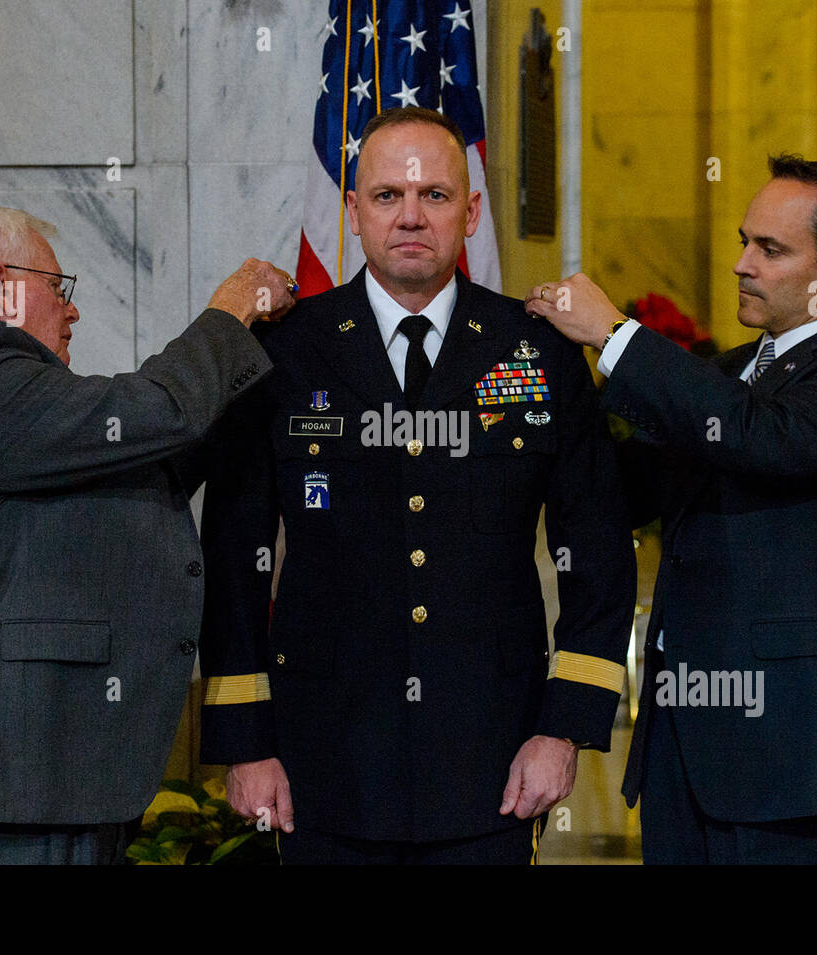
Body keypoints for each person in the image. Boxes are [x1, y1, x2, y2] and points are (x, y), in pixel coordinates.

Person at [198, 107, 636, 864]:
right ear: (352, 211)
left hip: (492, 760)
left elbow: (596, 548)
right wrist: (245, 741)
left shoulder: (536, 349)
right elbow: (235, 555)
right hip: (322, 761)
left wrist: (563, 727)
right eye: (386, 195)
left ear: (470, 214)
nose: (410, 216)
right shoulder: (283, 353)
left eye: (435, 195)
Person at [0, 205, 296, 863]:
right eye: (58, 289)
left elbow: (151, 451)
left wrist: (251, 359)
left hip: (33, 807)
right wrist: (230, 310)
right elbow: (153, 411)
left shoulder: (1, 412)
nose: (72, 313)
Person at [526, 155, 817, 864]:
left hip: (791, 762)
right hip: (682, 753)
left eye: (770, 249)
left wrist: (615, 334)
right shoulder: (727, 372)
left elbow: (760, 438)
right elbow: (626, 492)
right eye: (745, 240)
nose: (742, 263)